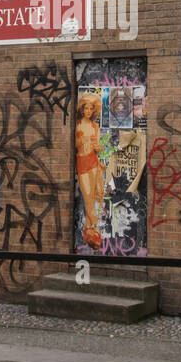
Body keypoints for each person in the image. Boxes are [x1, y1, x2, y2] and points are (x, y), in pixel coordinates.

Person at [75, 93, 104, 250]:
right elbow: (74, 145)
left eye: (91, 109)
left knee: (92, 198)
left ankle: (89, 232)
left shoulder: (95, 127)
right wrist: (81, 140)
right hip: (82, 163)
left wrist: (97, 147)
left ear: (94, 111)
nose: (88, 111)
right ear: (82, 109)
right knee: (87, 199)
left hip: (93, 162)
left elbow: (98, 149)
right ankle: (95, 229)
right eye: (86, 108)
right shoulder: (77, 124)